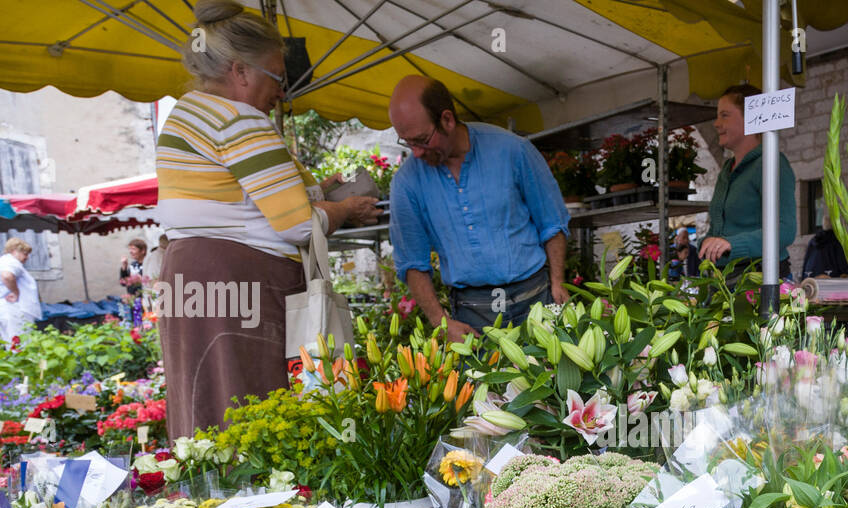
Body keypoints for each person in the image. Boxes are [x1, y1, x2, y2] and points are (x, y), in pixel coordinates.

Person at [155, 0, 378, 438]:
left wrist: (313, 191)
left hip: (188, 277)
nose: (281, 92)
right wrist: (342, 209)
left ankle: (209, 499)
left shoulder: (184, 114)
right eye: (277, 77)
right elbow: (296, 224)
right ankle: (262, 503)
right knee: (252, 407)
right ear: (240, 71)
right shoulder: (242, 121)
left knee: (205, 403)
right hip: (241, 282)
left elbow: (230, 197)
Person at [387, 76, 570, 341]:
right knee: (482, 382)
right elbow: (413, 262)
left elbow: (552, 221)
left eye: (422, 140)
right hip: (471, 316)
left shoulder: (512, 150)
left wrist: (557, 282)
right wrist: (442, 322)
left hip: (535, 300)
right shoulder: (406, 184)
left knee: (549, 380)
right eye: (407, 142)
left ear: (447, 119)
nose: (415, 152)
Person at [699, 83, 797, 278]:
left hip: (760, 277)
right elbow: (719, 228)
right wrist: (706, 243)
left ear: (750, 118)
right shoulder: (727, 171)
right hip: (724, 278)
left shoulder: (771, 164)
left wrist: (732, 244)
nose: (716, 123)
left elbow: (785, 230)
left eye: (724, 115)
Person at [0, 238, 41, 342]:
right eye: (25, 254)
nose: (27, 257)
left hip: (8, 309)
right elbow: (7, 276)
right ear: (14, 251)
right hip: (16, 309)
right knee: (21, 344)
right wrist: (15, 292)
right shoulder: (11, 261)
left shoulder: (4, 261)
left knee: (11, 342)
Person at [801, 214, 848, 279]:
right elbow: (842, 262)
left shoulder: (814, 239)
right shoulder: (836, 240)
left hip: (811, 276)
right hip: (831, 278)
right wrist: (846, 272)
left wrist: (803, 277)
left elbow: (806, 260)